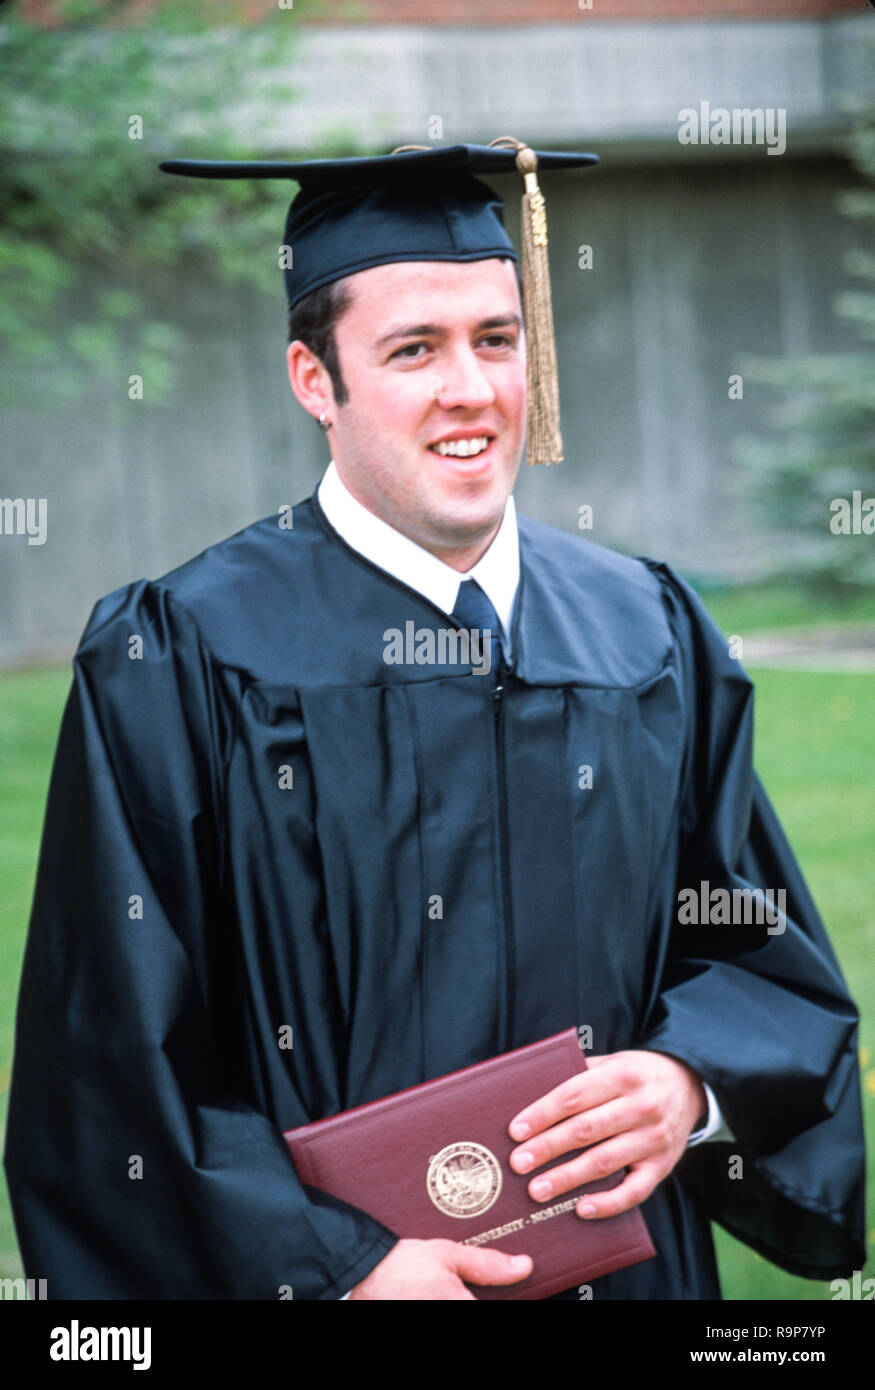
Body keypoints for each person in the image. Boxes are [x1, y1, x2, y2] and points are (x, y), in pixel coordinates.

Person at [4, 141, 865, 1301]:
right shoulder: (185, 652)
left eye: (495, 340)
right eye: (412, 349)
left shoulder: (641, 632)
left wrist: (688, 1083)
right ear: (315, 378)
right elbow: (114, 1054)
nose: (470, 388)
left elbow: (751, 946)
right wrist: (335, 1268)